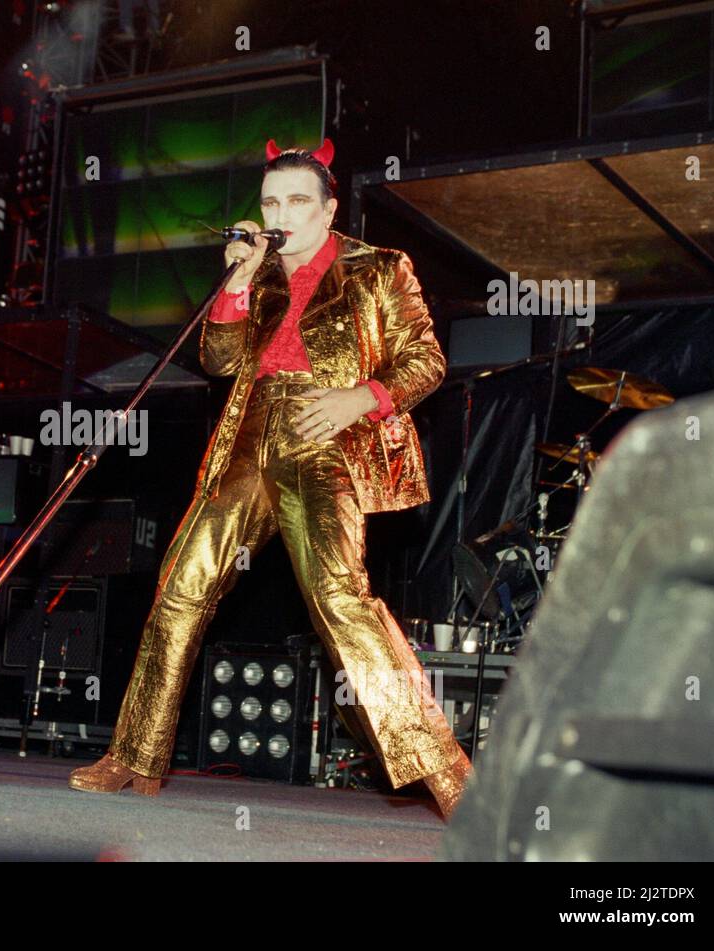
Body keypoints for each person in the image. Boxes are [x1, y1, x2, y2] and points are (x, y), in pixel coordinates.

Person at [69, 138, 473, 819]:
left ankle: (448, 770)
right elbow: (220, 360)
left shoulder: (376, 268)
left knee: (341, 597)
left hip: (326, 433)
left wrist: (362, 397)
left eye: (295, 201)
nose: (280, 213)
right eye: (269, 201)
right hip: (251, 434)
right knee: (182, 582)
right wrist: (234, 282)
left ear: (327, 209)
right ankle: (134, 753)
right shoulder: (257, 273)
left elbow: (426, 358)